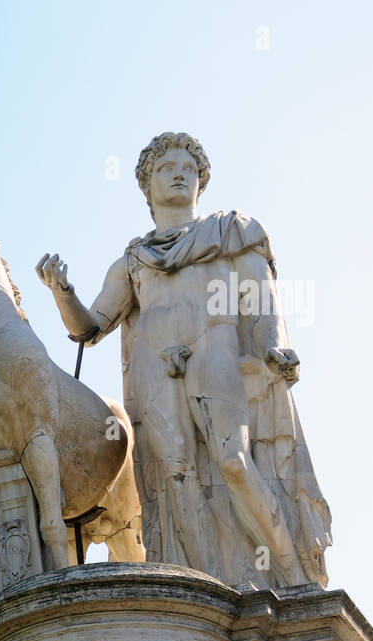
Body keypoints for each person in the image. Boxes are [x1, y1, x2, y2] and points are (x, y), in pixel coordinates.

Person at [35, 132, 330, 589]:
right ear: (147, 186)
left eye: (187, 169)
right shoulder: (134, 259)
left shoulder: (231, 231)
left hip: (216, 350)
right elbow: (90, 328)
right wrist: (62, 293)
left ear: (201, 180)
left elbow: (260, 296)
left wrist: (274, 344)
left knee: (233, 461)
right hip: (155, 367)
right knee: (175, 477)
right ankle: (208, 588)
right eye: (165, 168)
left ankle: (292, 576)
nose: (178, 174)